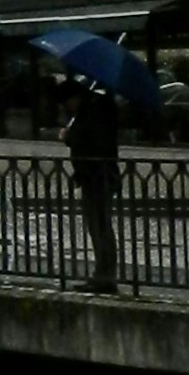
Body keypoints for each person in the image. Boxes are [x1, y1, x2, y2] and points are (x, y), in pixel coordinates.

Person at [64, 77, 122, 289]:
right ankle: (103, 273)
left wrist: (70, 137)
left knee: (100, 226)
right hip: (93, 176)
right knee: (97, 225)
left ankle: (105, 276)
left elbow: (94, 141)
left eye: (68, 103)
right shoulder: (92, 107)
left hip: (99, 176)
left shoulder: (97, 109)